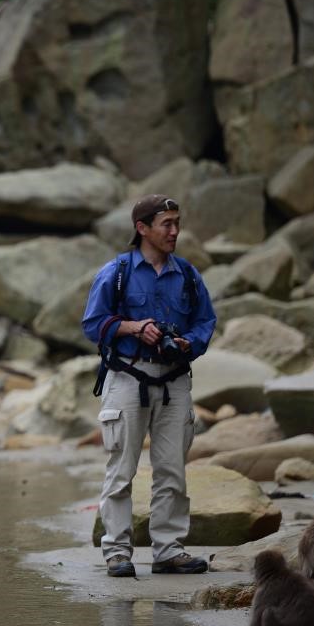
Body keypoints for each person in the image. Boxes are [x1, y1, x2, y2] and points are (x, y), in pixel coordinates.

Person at [82, 194, 217, 577]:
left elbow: (206, 321)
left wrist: (192, 342)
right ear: (142, 228)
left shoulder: (188, 274)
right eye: (167, 224)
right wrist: (133, 327)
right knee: (121, 470)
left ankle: (169, 550)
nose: (175, 231)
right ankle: (118, 553)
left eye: (177, 222)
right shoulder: (117, 272)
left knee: (172, 470)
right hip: (127, 376)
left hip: (175, 381)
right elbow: (93, 324)